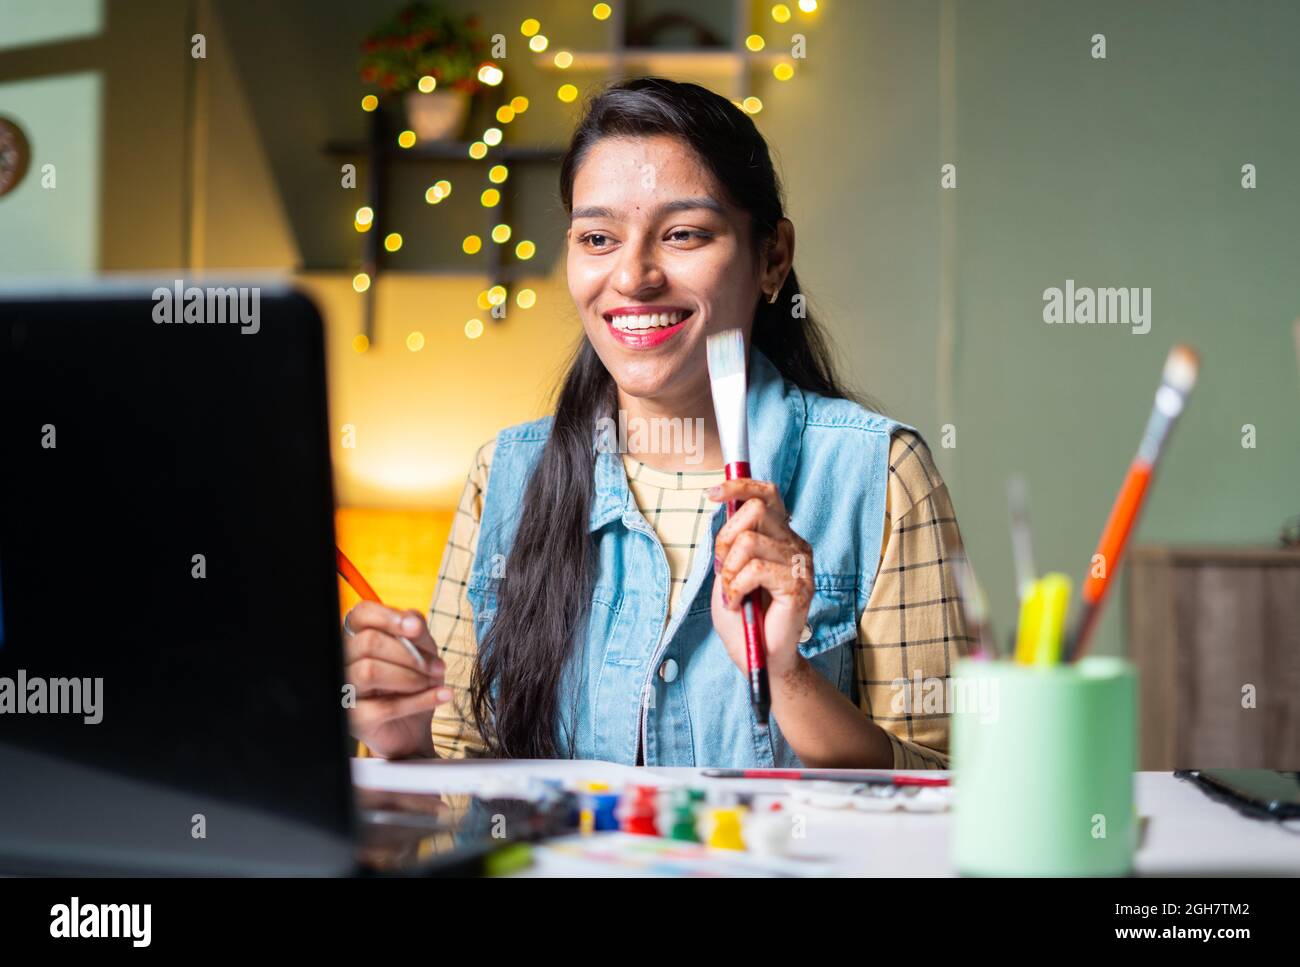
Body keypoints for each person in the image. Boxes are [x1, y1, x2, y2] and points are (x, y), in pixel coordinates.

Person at [344, 77, 971, 768]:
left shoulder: (881, 475)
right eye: (598, 237)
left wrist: (788, 676)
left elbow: (946, 793)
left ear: (772, 258)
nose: (634, 275)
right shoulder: (507, 474)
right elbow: (464, 788)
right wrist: (405, 747)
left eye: (683, 234)